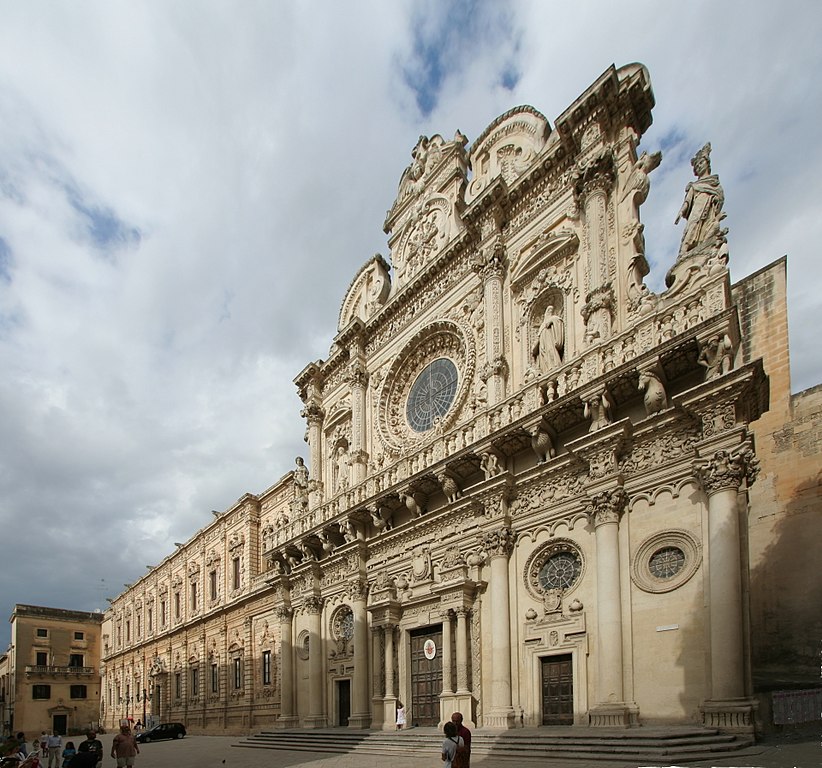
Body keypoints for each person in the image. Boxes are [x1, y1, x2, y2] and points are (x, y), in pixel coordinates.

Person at [532, 305, 564, 373]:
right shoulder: (542, 325)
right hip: (542, 342)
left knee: (551, 350)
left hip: (549, 339)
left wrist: (552, 321)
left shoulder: (553, 318)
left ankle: (554, 365)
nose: (550, 312)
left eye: (551, 310)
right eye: (549, 310)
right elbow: (538, 336)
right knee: (543, 354)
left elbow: (558, 320)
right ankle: (546, 369)